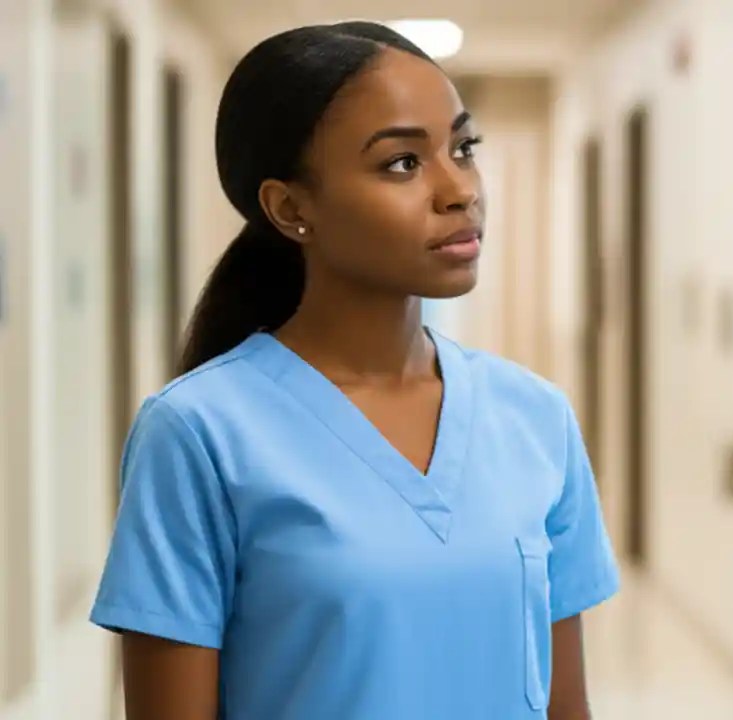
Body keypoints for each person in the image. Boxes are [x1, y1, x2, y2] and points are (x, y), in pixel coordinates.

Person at [89, 21, 620, 720]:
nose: (459, 190)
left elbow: (565, 707)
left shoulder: (535, 418)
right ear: (290, 207)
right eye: (402, 163)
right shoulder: (199, 434)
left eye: (463, 149)